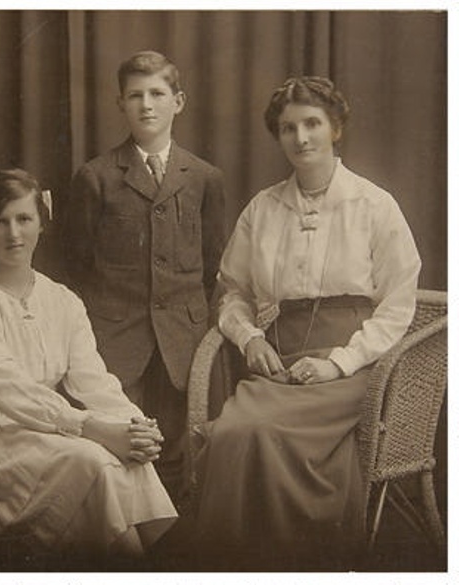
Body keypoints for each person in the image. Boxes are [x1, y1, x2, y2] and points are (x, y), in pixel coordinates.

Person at [192, 76, 421, 569]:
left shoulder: (375, 205)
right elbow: (233, 292)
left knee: (263, 431)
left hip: (355, 368)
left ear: (335, 128)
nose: (301, 138)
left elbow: (397, 307)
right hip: (281, 364)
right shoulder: (263, 208)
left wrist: (338, 364)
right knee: (233, 433)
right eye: (288, 128)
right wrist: (250, 339)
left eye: (313, 124)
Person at [0, 169, 178, 558]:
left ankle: (161, 564)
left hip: (44, 431)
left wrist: (134, 427)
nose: (14, 233)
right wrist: (91, 428)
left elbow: (93, 381)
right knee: (93, 460)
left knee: (130, 457)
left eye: (24, 218)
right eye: (0, 221)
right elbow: (10, 389)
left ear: (41, 223)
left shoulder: (63, 300)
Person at [62, 50, 226, 500]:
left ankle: (173, 535)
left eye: (157, 93)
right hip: (116, 337)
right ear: (121, 104)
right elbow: (76, 264)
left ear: (179, 101)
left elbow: (212, 264)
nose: (147, 105)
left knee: (175, 449)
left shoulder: (204, 178)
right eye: (135, 95)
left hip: (181, 339)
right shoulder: (95, 177)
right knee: (122, 444)